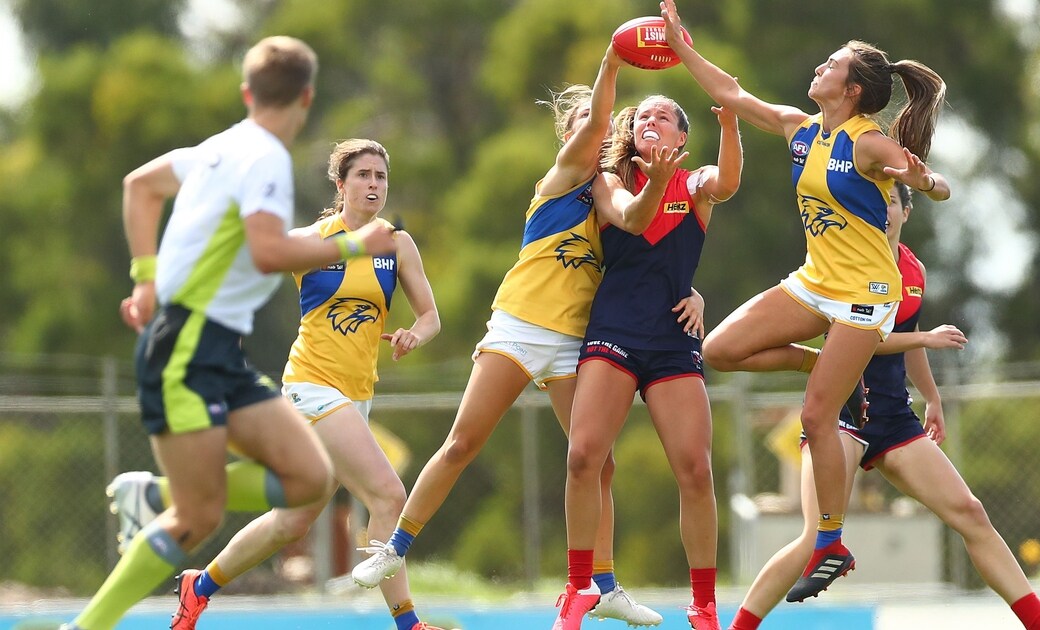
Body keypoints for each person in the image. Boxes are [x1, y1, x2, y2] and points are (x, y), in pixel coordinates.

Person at [350, 46, 705, 627]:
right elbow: (599, 120)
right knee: (462, 443)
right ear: (570, 138)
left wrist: (693, 292)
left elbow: (652, 257)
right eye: (583, 127)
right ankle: (394, 548)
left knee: (596, 463)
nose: (595, 134)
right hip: (520, 327)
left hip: (574, 341)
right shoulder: (560, 180)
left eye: (602, 130)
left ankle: (605, 587)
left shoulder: (613, 199)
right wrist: (612, 64)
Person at [62, 37, 399, 630]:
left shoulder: (218, 147)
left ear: (247, 93)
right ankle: (147, 517)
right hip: (189, 342)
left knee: (309, 481)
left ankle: (154, 502)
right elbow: (268, 251)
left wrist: (145, 279)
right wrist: (353, 245)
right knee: (199, 513)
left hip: (212, 346)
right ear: (306, 98)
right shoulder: (265, 157)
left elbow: (139, 186)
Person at [661, 0, 952, 600]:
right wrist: (680, 44)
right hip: (816, 283)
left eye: (831, 65)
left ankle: (831, 542)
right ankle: (826, 363)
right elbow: (730, 92)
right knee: (718, 349)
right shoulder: (800, 128)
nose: (820, 68)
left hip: (866, 295)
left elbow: (936, 185)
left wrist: (925, 180)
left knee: (817, 417)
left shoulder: (869, 142)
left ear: (853, 89)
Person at [726, 184, 1040, 630]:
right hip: (842, 417)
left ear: (906, 211)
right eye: (875, 199)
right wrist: (925, 338)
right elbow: (866, 339)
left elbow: (910, 338)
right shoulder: (846, 263)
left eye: (891, 200)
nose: (883, 209)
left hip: (893, 421)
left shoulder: (913, 269)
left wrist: (933, 397)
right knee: (815, 539)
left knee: (970, 513)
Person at [108, 139, 446, 630]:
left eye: (381, 176)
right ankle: (409, 623)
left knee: (291, 522)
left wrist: (417, 332)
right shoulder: (312, 241)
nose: (374, 184)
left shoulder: (398, 244)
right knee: (388, 495)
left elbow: (431, 316)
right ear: (341, 185)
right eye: (363, 175)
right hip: (312, 386)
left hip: (357, 395)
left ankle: (198, 587)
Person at [552, 93, 742, 630]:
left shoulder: (693, 183)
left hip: (672, 340)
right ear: (630, 133)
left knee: (696, 471)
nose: (650, 120)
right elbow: (633, 220)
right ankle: (578, 589)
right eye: (642, 116)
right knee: (583, 457)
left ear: (681, 138)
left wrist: (731, 125)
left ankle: (704, 606)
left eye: (663, 116)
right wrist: (654, 182)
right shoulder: (608, 182)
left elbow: (727, 183)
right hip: (614, 331)